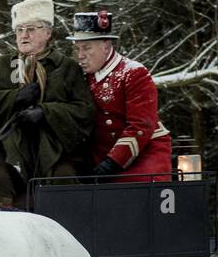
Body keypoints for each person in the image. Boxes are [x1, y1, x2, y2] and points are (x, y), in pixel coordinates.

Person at [0, 0, 94, 207]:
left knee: (64, 178)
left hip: (55, 154)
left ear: (47, 33)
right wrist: (14, 98)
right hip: (8, 154)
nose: (24, 35)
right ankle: (0, 233)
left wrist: (46, 113)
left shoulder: (66, 68)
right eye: (19, 30)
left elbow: (84, 112)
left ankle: (65, 231)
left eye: (31, 29)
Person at [67, 10, 171, 179]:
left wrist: (113, 162)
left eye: (86, 48)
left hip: (143, 154)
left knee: (134, 195)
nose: (80, 56)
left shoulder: (133, 72)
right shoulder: (82, 77)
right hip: (102, 156)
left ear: (106, 46)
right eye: (77, 49)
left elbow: (141, 126)